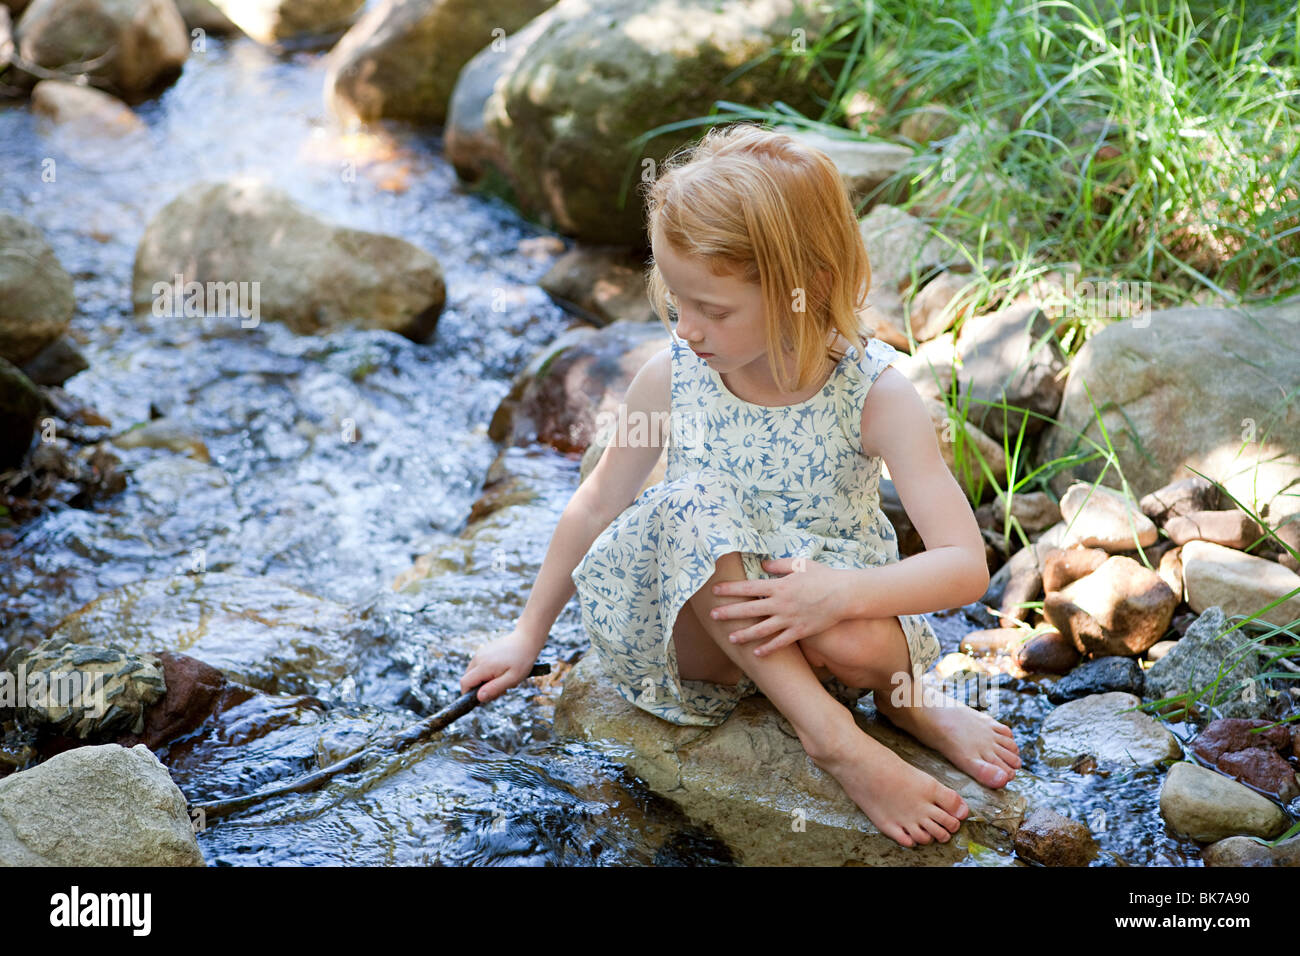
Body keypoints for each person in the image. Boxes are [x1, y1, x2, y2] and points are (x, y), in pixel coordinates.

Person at [459, 122, 1020, 849]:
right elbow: (598, 500)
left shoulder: (876, 395)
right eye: (675, 299)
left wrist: (837, 593)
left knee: (859, 635)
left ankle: (904, 704)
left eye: (714, 309)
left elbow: (964, 565)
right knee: (693, 502)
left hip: (823, 626)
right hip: (704, 641)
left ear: (805, 289)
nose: (687, 328)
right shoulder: (672, 378)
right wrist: (526, 635)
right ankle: (836, 741)